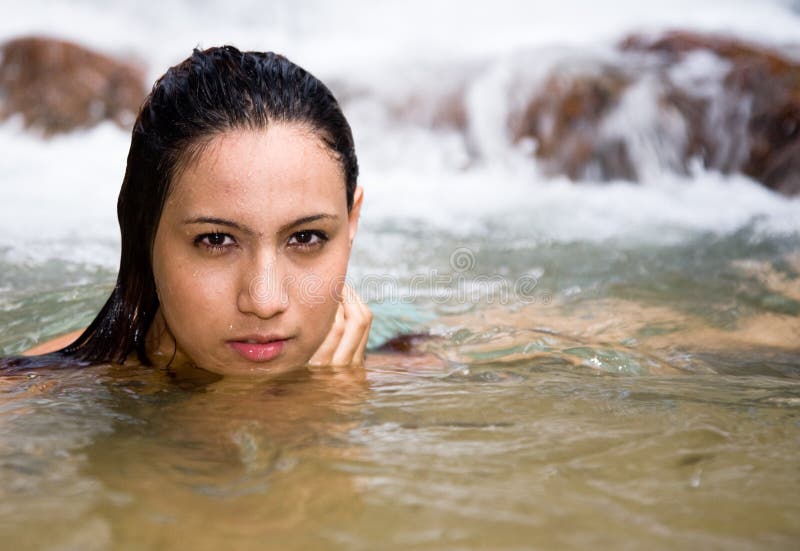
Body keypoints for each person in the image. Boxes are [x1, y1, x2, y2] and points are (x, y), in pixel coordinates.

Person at [1, 45, 372, 377]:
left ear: (351, 222)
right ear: (144, 231)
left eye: (305, 237)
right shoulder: (29, 397)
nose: (265, 302)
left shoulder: (419, 367)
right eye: (216, 240)